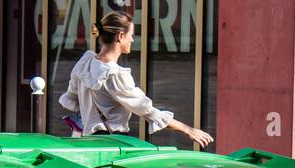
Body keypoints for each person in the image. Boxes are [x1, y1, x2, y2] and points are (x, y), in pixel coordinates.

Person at [58, 10, 213, 149]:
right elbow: (147, 110)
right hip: (112, 145)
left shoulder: (85, 63)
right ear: (120, 36)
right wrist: (188, 129)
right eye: (131, 35)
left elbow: (73, 98)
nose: (132, 40)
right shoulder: (115, 75)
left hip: (88, 144)